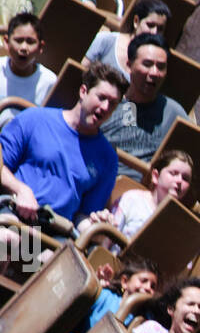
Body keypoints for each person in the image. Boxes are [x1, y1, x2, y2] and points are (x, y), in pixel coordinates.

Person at [0, 61, 124, 224]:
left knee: (54, 250)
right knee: (13, 242)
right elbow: (2, 166)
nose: (105, 107)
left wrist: (95, 225)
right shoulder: (35, 119)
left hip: (56, 230)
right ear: (83, 91)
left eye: (112, 103)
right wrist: (20, 189)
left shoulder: (107, 158)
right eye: (101, 98)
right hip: (15, 212)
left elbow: (84, 215)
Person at [100, 33, 186, 175]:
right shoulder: (108, 103)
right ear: (129, 65)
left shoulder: (173, 113)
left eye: (161, 67)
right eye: (147, 64)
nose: (154, 72)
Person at [84, 0, 172, 79]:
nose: (154, 32)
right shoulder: (107, 40)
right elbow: (82, 69)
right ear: (136, 21)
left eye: (160, 29)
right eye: (150, 25)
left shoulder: (158, 62)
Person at [113, 149, 194, 239]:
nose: (179, 181)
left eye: (185, 178)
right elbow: (106, 239)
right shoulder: (132, 199)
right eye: (173, 173)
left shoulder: (181, 224)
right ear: (156, 176)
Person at [0, 12, 56, 114]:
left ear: (40, 47)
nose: (24, 48)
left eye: (30, 42)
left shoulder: (50, 82)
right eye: (18, 40)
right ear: (6, 42)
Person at [87, 255, 160, 330]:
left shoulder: (144, 323)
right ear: (125, 281)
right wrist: (95, 284)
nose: (148, 288)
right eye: (143, 281)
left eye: (152, 287)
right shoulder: (105, 296)